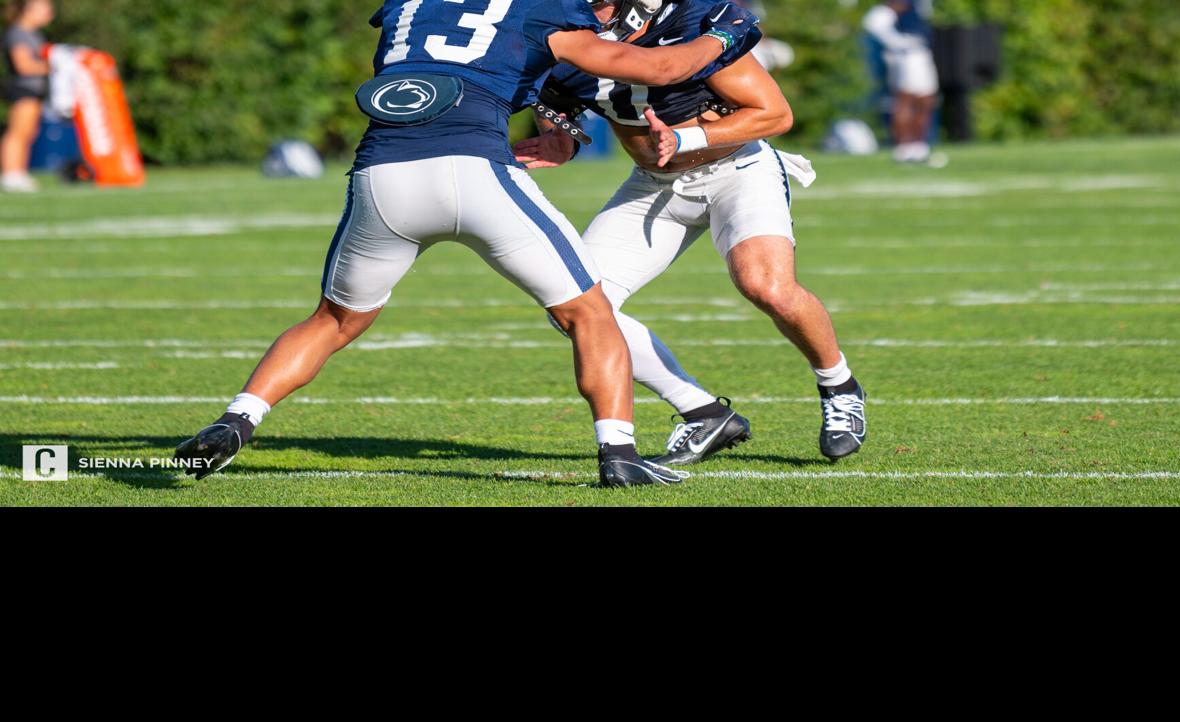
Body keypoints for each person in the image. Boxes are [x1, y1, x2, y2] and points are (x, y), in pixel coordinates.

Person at [173, 0, 758, 488]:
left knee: (332, 319)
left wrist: (554, 110)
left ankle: (237, 420)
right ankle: (620, 456)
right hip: (478, 169)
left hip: (383, 173)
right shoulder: (540, 7)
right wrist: (723, 38)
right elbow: (650, 68)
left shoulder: (408, 6)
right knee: (588, 312)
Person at [516, 0, 867, 466]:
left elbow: (774, 114)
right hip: (654, 185)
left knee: (767, 286)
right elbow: (560, 110)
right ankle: (702, 411)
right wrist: (560, 143)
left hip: (737, 168)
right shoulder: (556, 29)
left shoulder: (687, 19)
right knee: (575, 305)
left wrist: (689, 138)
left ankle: (838, 384)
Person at [863, 0, 937, 164]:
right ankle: (903, 147)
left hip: (921, 52)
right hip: (906, 56)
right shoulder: (888, 10)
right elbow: (874, 24)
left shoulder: (919, 5)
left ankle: (919, 146)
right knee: (905, 99)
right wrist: (899, 43)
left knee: (926, 101)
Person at [2, 0, 52, 194]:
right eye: (44, 8)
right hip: (23, 89)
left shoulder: (34, 35)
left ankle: (19, 171)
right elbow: (23, 65)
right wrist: (55, 66)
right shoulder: (18, 33)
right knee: (17, 131)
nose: (49, 12)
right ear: (28, 10)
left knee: (29, 132)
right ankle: (10, 173)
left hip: (35, 90)